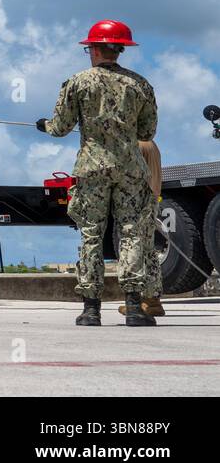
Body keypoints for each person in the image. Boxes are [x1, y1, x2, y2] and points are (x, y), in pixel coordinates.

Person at [39, 20, 158, 327]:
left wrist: (44, 126)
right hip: (130, 168)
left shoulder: (77, 83)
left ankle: (91, 309)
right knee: (131, 233)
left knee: (91, 234)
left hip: (91, 168)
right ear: (119, 49)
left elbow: (60, 128)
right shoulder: (140, 85)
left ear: (93, 49)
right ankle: (134, 306)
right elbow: (148, 130)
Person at [119, 139, 165, 319]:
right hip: (152, 198)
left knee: (135, 249)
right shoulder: (152, 144)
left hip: (137, 200)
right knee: (149, 251)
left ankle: (140, 301)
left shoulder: (134, 143)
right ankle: (153, 300)